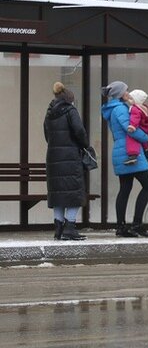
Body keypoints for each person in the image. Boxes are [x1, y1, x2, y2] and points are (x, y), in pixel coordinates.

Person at [101, 81, 148, 238]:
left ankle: (121, 226)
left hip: (121, 150)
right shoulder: (120, 109)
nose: (128, 92)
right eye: (126, 90)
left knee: (125, 188)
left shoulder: (114, 108)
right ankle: (136, 224)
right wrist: (145, 137)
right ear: (120, 93)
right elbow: (130, 129)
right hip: (130, 151)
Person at [44, 82, 89, 241]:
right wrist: (85, 145)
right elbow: (80, 132)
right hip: (70, 157)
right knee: (74, 193)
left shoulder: (49, 113)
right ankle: (70, 227)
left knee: (58, 194)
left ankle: (58, 229)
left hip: (53, 157)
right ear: (69, 99)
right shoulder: (71, 111)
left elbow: (47, 135)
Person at [125, 89, 148, 165]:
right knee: (145, 144)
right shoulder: (145, 108)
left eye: (131, 99)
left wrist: (132, 126)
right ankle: (146, 156)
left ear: (136, 100)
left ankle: (133, 155)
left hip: (139, 128)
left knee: (131, 139)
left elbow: (135, 118)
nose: (129, 100)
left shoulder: (135, 109)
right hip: (146, 130)